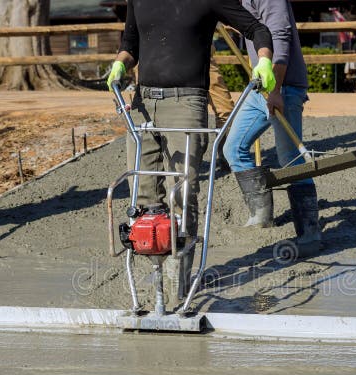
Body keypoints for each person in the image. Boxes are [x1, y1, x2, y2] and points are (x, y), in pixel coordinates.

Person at [106, 0, 276, 300]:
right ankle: (156, 268)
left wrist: (264, 61)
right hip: (143, 103)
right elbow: (131, 43)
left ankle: (179, 278)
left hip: (186, 103)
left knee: (182, 193)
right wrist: (120, 63)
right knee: (141, 193)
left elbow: (257, 29)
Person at [223, 0, 322, 258]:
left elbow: (280, 34)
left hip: (283, 86)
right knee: (233, 148)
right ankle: (261, 218)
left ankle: (310, 234)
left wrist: (276, 89)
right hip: (259, 88)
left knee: (291, 160)